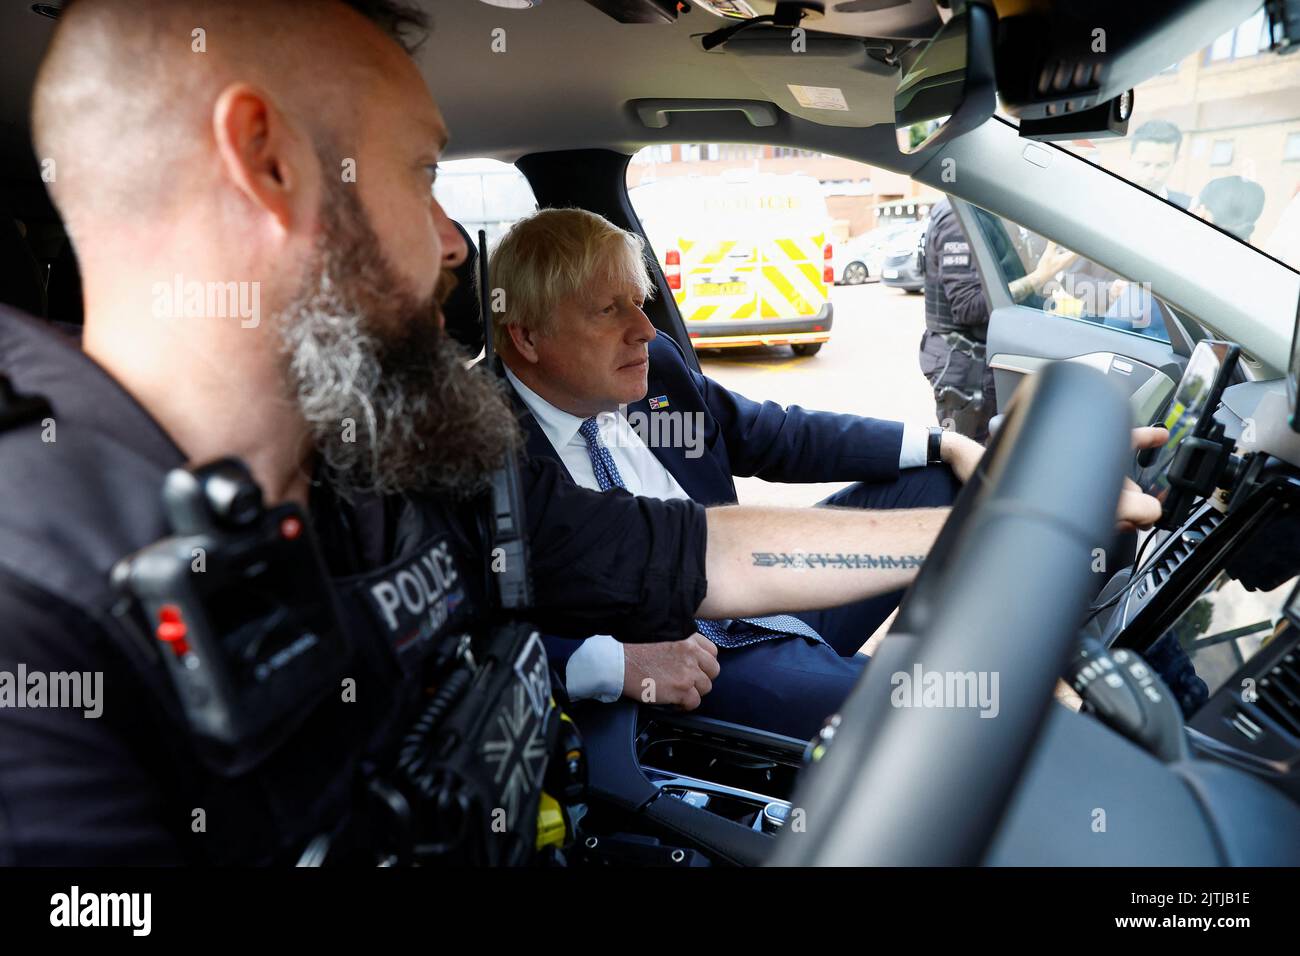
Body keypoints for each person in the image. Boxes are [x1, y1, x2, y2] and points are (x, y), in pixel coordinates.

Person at [4, 0, 1164, 865]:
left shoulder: (407, 472)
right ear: (266, 164)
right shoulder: (34, 606)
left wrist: (1013, 512)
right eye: (421, 174)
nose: (457, 245)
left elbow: (708, 553)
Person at [487, 208, 987, 739]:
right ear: (527, 339)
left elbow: (776, 435)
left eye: (638, 301)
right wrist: (608, 662)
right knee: (934, 707)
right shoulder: (486, 452)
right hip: (692, 658)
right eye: (608, 310)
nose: (644, 329)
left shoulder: (654, 371)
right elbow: (459, 635)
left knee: (945, 486)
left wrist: (943, 443)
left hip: (763, 593)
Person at [919, 197, 1072, 443]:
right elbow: (968, 306)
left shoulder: (982, 207)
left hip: (978, 359)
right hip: (965, 367)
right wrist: (1039, 277)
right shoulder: (959, 218)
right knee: (968, 460)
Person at [1125, 119, 1191, 209]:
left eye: (1161, 166)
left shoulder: (1188, 207)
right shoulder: (1108, 195)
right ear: (1130, 158)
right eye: (1144, 164)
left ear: (1176, 161)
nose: (1151, 175)